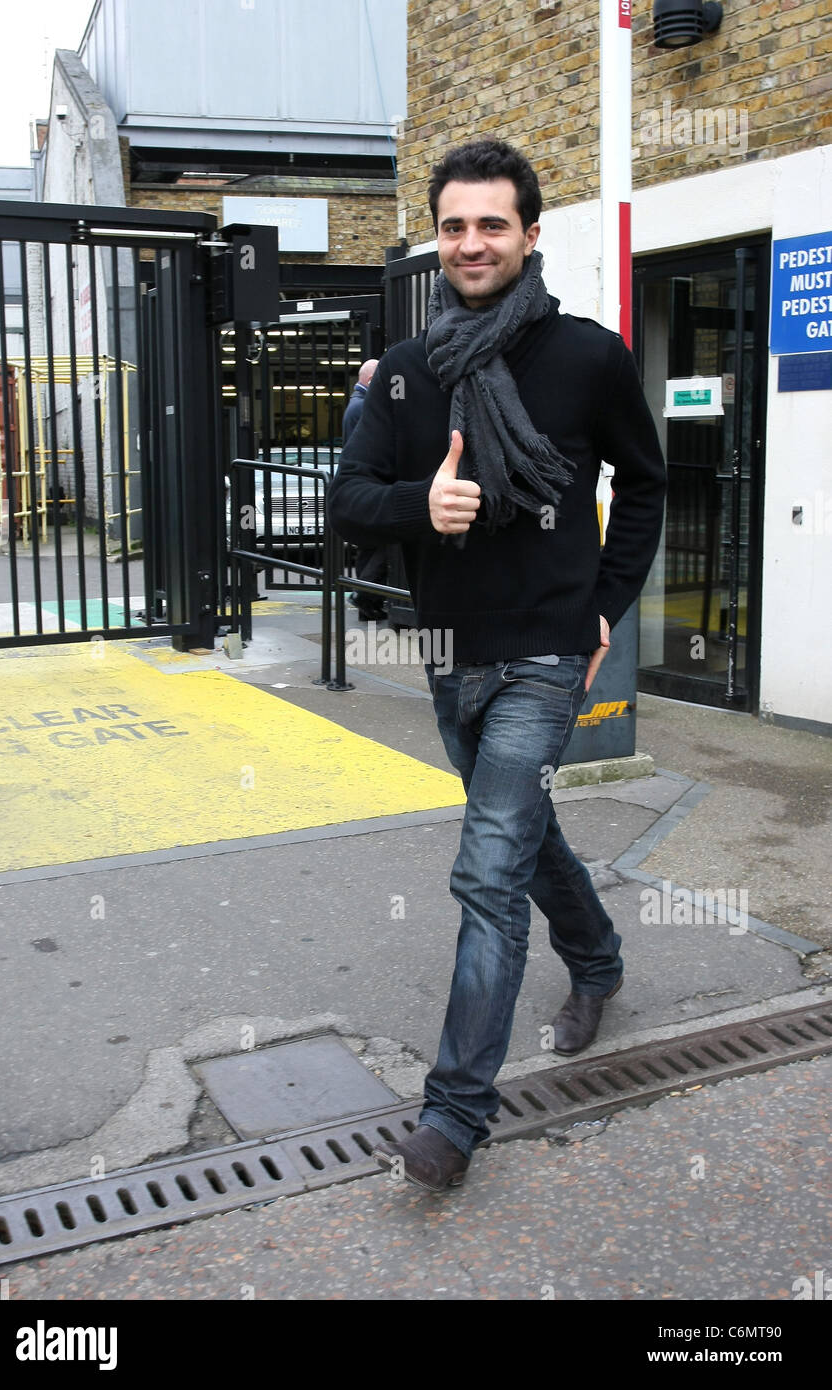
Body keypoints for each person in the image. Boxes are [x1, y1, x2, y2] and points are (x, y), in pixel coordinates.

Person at [326, 139, 667, 1193]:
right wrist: (418, 510)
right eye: (453, 225)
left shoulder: (587, 357)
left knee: (485, 871)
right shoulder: (406, 371)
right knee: (519, 831)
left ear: (528, 234)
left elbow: (648, 484)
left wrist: (604, 604)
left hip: (546, 653)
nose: (470, 243)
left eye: (490, 224)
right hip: (450, 653)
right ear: (438, 238)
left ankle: (454, 1113)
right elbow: (348, 499)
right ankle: (599, 958)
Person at [341, 359, 388, 621]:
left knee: (369, 547)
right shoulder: (364, 407)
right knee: (383, 544)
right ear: (371, 381)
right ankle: (364, 595)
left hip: (362, 485)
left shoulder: (354, 405)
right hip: (371, 483)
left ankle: (367, 602)